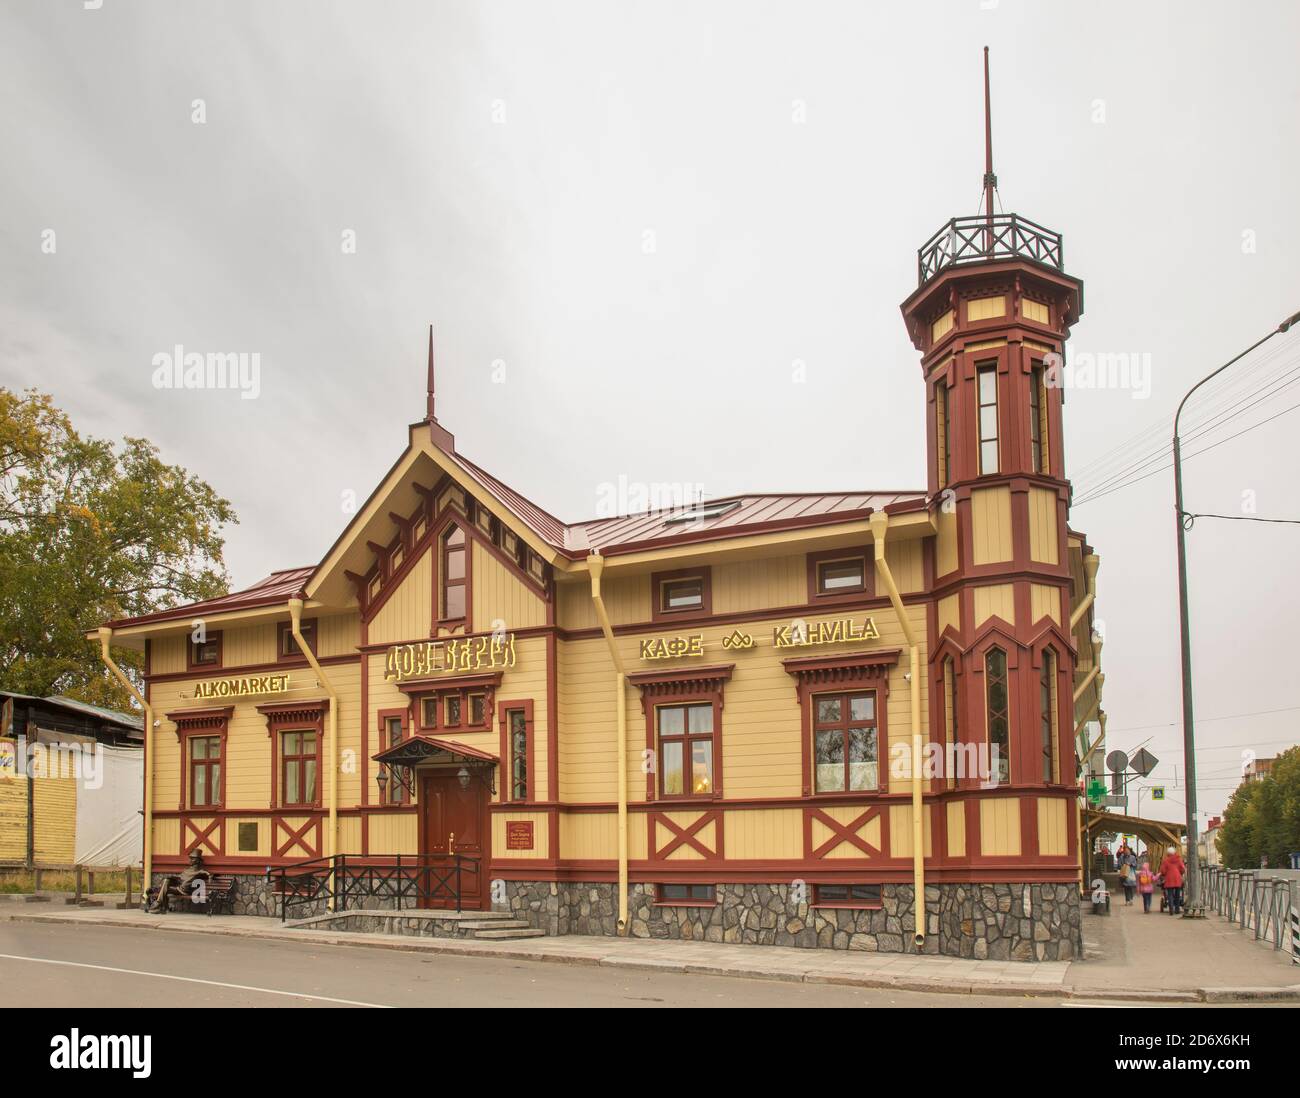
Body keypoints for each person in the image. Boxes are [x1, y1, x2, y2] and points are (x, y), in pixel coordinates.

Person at [147, 849, 211, 913]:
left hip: (184, 891)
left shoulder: (199, 871)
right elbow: (180, 878)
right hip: (178, 889)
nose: (190, 860)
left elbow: (208, 874)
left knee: (163, 889)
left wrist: (209, 876)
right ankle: (161, 906)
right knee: (166, 882)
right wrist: (171, 877)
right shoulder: (186, 870)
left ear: (198, 860)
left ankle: (159, 906)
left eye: (192, 858)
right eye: (190, 858)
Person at [1159, 845, 1186, 915]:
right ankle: (1177, 909)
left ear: (1168, 853)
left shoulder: (1166, 860)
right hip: (1177, 879)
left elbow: (1163, 871)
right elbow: (1183, 869)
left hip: (1169, 879)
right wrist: (1180, 873)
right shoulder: (1178, 859)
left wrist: (1164, 874)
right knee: (1177, 894)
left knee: (1170, 894)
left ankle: (1171, 909)